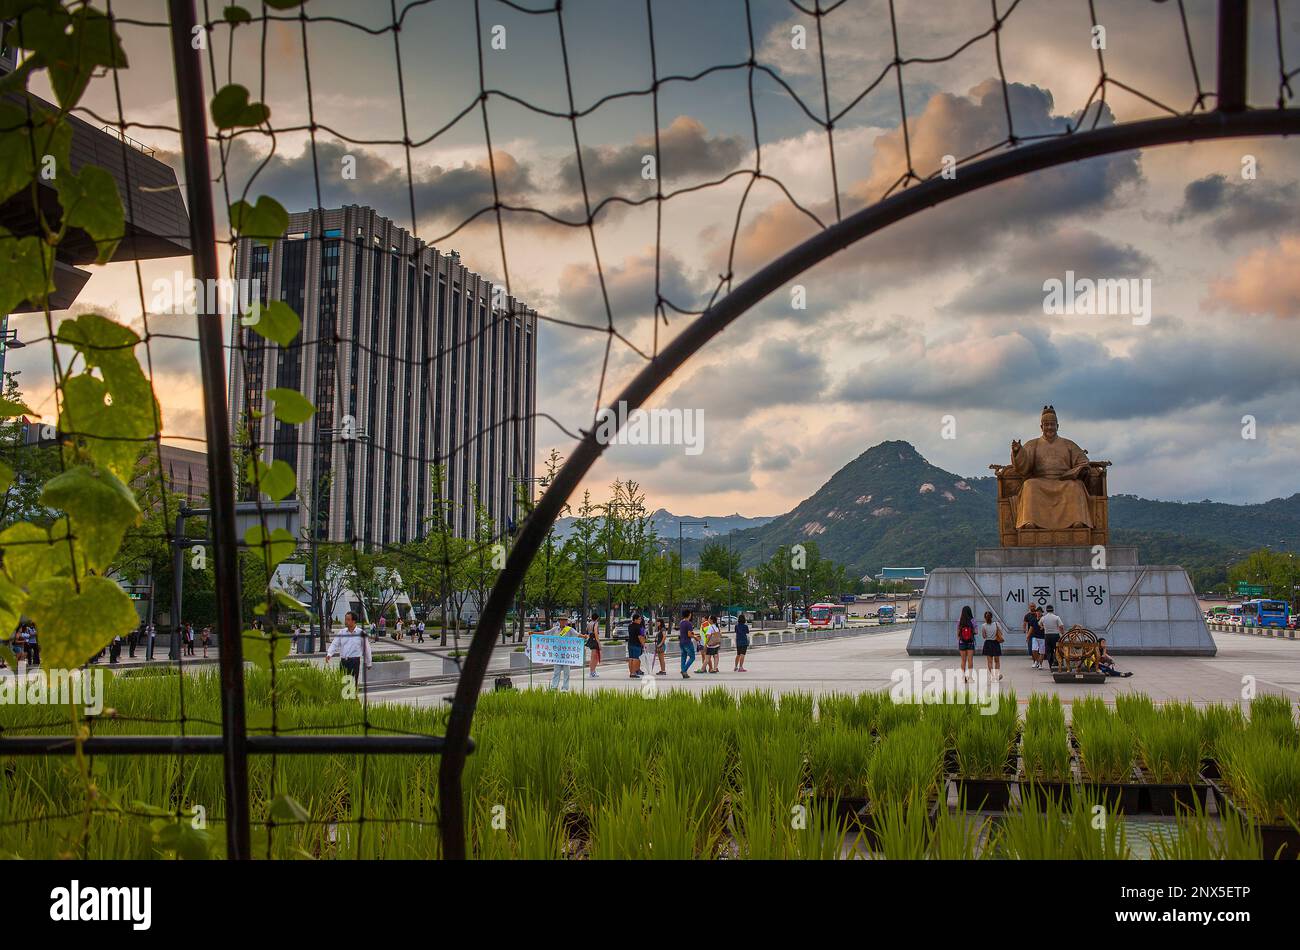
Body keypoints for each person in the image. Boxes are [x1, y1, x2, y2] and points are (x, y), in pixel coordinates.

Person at [325, 611, 372, 689]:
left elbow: (367, 649)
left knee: (352, 685)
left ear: (353, 621)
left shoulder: (361, 633)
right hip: (343, 662)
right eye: (345, 619)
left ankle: (353, 699)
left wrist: (368, 662)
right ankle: (345, 700)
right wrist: (329, 654)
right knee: (343, 685)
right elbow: (334, 644)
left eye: (348, 619)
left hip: (354, 662)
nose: (346, 621)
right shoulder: (342, 632)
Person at [550, 617, 578, 692]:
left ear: (566, 621)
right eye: (561, 620)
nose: (563, 621)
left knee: (566, 672)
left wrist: (584, 636)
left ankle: (565, 688)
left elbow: (577, 635)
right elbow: (546, 633)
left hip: (566, 654)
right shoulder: (555, 629)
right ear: (559, 621)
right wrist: (534, 633)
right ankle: (554, 687)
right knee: (556, 672)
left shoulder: (569, 629)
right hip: (557, 654)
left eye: (564, 620)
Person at [1040, 604, 1066, 671]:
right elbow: (1061, 626)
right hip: (1055, 635)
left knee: (1049, 651)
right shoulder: (1056, 617)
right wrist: (1062, 633)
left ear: (1046, 610)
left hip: (1047, 636)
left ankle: (1050, 664)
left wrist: (1043, 627)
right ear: (1053, 610)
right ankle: (1057, 662)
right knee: (1057, 649)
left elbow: (1039, 624)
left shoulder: (1043, 618)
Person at [979, 610, 1003, 679]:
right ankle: (997, 675)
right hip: (995, 643)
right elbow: (1001, 633)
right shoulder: (996, 624)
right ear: (992, 617)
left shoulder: (983, 626)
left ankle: (993, 676)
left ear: (985, 618)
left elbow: (984, 636)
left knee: (989, 662)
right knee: (997, 661)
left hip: (988, 643)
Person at [957, 605, 977, 682]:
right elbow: (976, 632)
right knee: (970, 660)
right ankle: (970, 678)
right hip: (970, 642)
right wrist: (970, 632)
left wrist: (961, 639)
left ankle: (963, 677)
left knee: (963, 660)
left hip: (962, 642)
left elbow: (958, 634)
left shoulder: (959, 621)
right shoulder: (973, 621)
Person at [678, 609, 697, 679]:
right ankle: (684, 670)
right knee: (692, 657)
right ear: (689, 614)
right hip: (687, 642)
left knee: (683, 657)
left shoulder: (681, 622)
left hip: (681, 642)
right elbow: (689, 634)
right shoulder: (689, 623)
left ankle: (684, 673)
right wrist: (695, 637)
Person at [626, 612, 646, 678]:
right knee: (635, 659)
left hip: (630, 644)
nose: (640, 620)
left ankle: (631, 673)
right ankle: (634, 673)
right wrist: (643, 644)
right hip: (636, 644)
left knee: (630, 658)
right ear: (635, 619)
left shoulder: (630, 626)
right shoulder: (639, 627)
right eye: (639, 619)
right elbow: (640, 637)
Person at [585, 612, 601, 678]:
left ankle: (592, 671)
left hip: (590, 639)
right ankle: (592, 672)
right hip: (594, 640)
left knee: (593, 657)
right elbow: (596, 633)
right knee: (594, 657)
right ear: (597, 618)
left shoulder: (589, 623)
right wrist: (599, 643)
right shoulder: (596, 623)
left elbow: (587, 632)